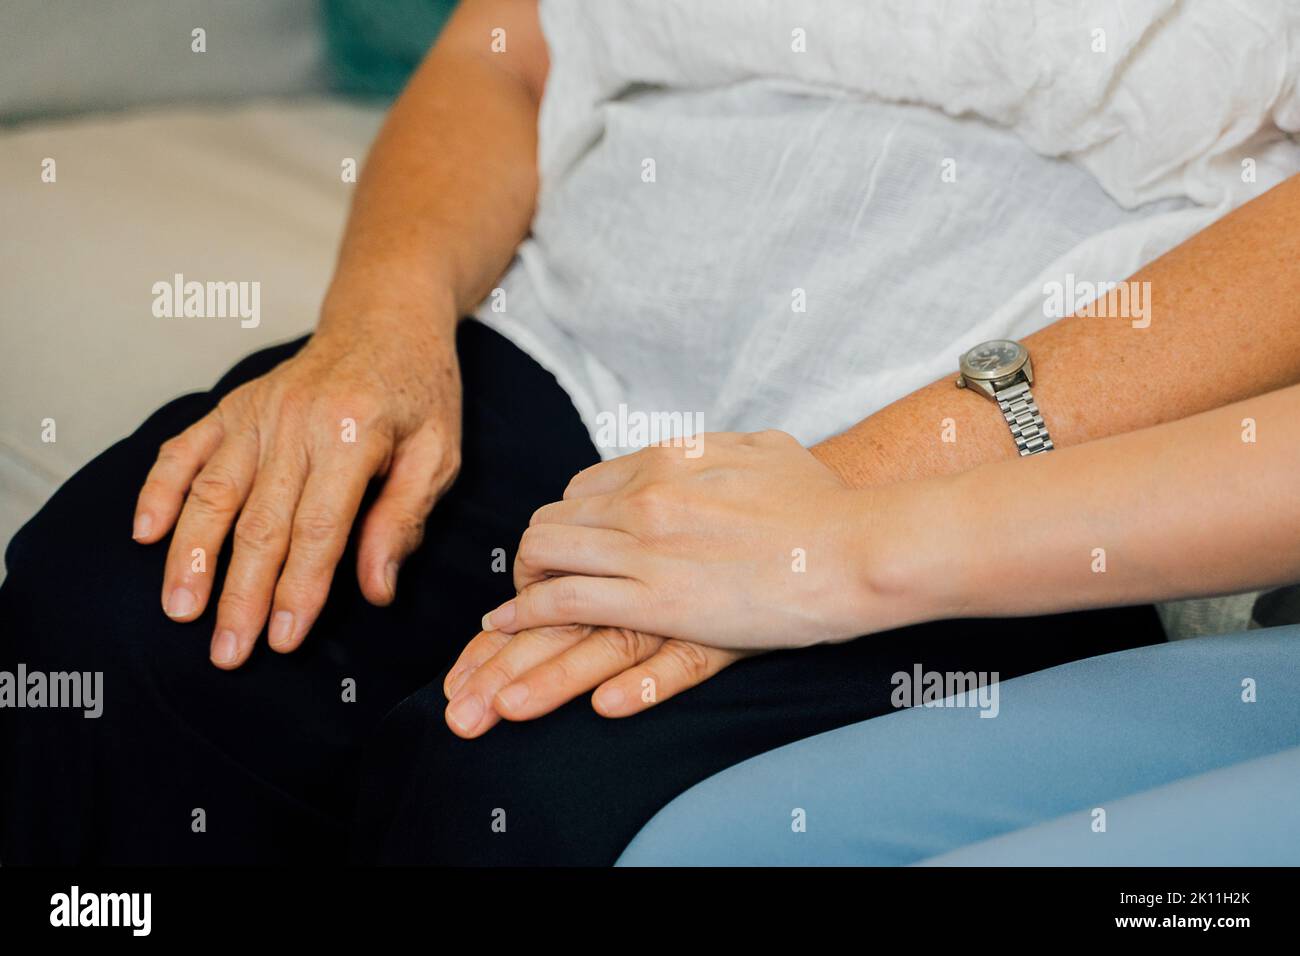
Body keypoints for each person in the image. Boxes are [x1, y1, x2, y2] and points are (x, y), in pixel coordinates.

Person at [2, 0, 1298, 865]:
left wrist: (847, 508)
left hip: (1019, 454)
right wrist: (380, 333)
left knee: (527, 803)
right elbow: (510, 43)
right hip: (562, 342)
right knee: (119, 614)